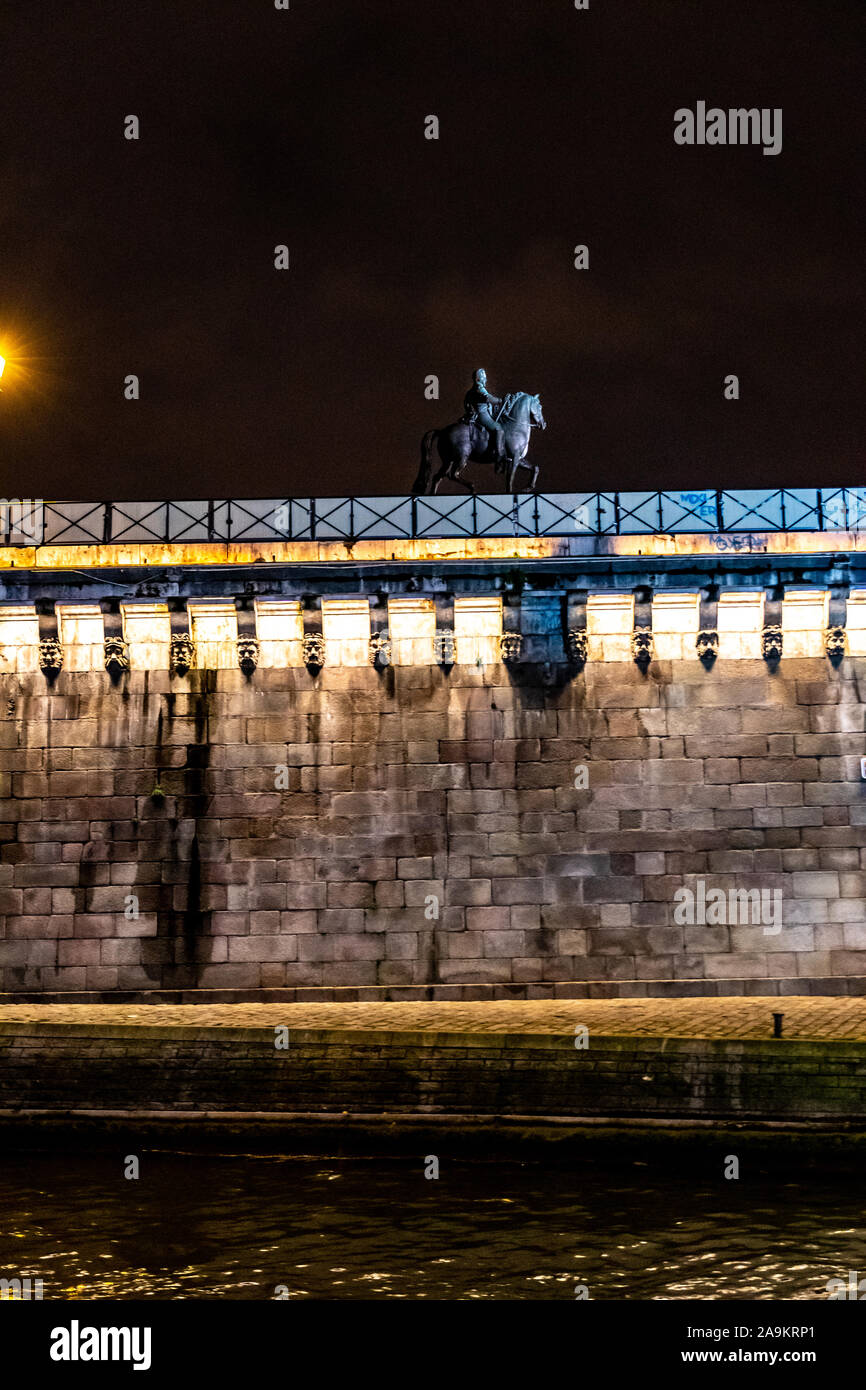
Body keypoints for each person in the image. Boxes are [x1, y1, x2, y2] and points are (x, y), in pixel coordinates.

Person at [463, 368, 505, 463]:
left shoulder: (472, 390)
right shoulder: (479, 388)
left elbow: (466, 403)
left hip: (482, 413)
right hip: (482, 415)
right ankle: (499, 455)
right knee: (498, 428)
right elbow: (488, 398)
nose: (486, 380)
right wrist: (500, 400)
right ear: (478, 379)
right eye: (484, 378)